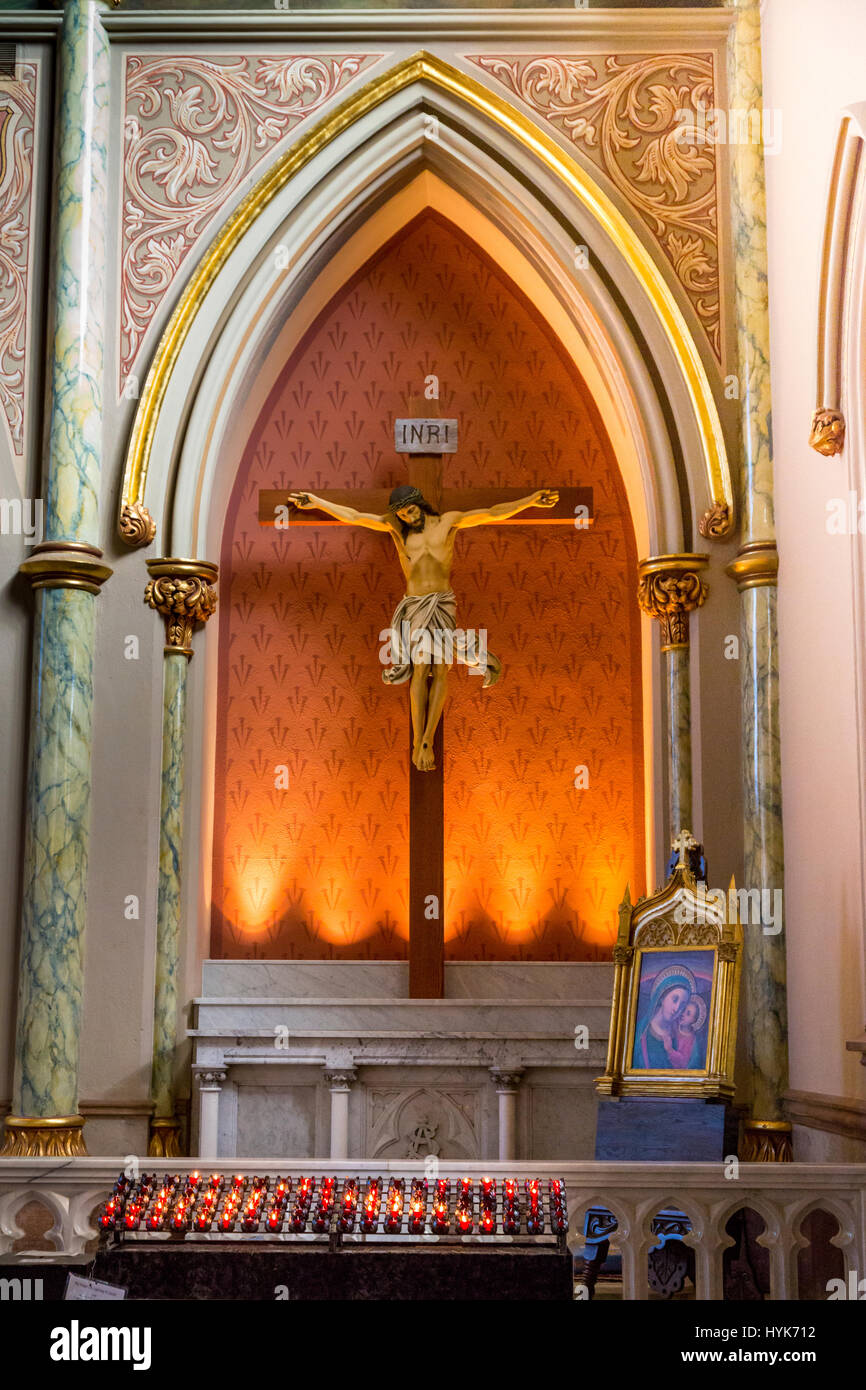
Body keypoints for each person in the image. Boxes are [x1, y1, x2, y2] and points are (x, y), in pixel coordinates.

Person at [288, 483, 558, 770]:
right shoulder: (397, 530)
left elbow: (492, 513)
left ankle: (429, 738)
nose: (407, 516)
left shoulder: (448, 522)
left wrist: (529, 501)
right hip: (416, 604)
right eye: (403, 514)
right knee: (420, 668)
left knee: (440, 667)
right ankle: (419, 741)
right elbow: (354, 516)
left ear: (421, 503)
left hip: (441, 602)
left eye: (411, 510)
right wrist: (317, 501)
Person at [634, 963, 698, 1068]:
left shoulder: (681, 1033)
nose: (677, 1008)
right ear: (662, 997)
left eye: (682, 1005)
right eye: (674, 999)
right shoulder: (641, 1032)